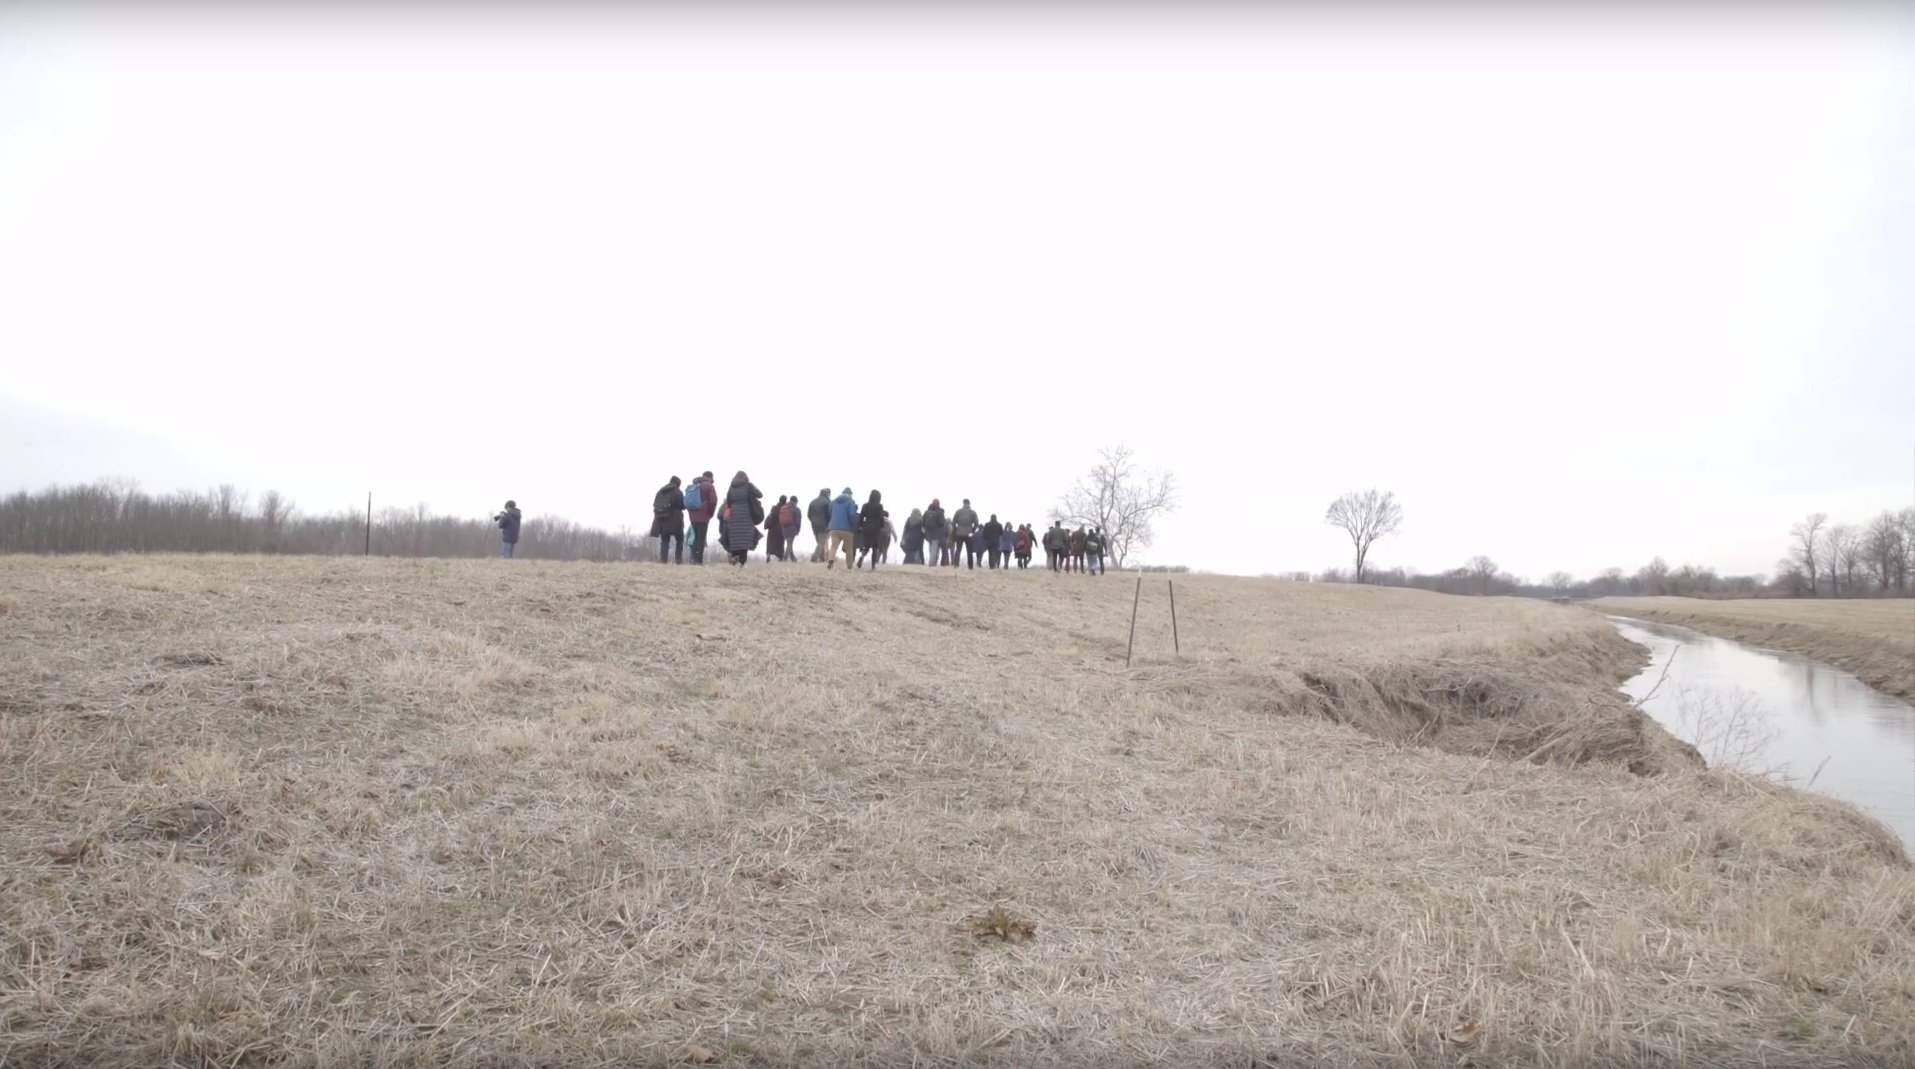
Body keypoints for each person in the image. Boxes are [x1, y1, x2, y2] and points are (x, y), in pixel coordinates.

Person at [723, 471, 763, 566]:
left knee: (736, 538)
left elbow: (728, 502)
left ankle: (734, 557)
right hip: (746, 515)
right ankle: (741, 562)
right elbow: (760, 495)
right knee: (745, 539)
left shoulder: (731, 488)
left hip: (734, 517)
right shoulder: (748, 486)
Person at [685, 472, 719, 564]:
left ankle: (693, 559)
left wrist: (691, 514)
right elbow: (713, 501)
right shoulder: (709, 486)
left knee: (696, 537)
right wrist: (710, 514)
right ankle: (698, 561)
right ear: (710, 477)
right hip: (703, 516)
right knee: (701, 538)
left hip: (693, 517)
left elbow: (687, 501)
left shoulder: (694, 485)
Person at [653, 477, 686, 564]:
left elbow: (655, 504)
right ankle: (678, 560)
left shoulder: (661, 491)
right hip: (676, 519)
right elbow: (683, 505)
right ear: (678, 483)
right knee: (680, 540)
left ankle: (663, 560)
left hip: (662, 519)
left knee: (664, 540)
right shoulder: (678, 492)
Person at [826, 487, 858, 569]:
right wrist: (854, 525)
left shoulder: (833, 502)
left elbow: (830, 512)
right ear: (850, 495)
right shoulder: (851, 502)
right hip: (847, 529)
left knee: (833, 546)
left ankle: (830, 560)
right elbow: (851, 515)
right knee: (849, 548)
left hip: (834, 527)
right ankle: (849, 566)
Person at [858, 491, 889, 569]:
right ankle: (873, 566)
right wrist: (881, 527)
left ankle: (862, 557)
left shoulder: (865, 505)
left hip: (866, 527)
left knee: (867, 546)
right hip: (875, 528)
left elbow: (861, 517)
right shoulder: (879, 506)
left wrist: (861, 526)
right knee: (875, 547)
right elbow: (881, 518)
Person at [807, 488, 833, 562]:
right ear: (827, 494)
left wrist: (813, 521)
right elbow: (830, 514)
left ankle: (822, 558)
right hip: (824, 525)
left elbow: (809, 514)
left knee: (819, 542)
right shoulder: (828, 502)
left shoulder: (813, 502)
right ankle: (814, 557)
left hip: (814, 525)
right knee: (821, 543)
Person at [951, 499, 978, 567]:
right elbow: (976, 523)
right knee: (969, 550)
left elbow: (953, 522)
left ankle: (956, 564)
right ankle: (970, 566)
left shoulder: (958, 511)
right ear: (969, 504)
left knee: (958, 550)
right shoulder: (973, 512)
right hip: (969, 533)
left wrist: (956, 529)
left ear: (963, 504)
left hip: (959, 533)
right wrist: (973, 531)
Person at [922, 499, 948, 566]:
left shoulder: (927, 512)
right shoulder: (940, 512)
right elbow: (941, 522)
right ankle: (935, 563)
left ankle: (932, 563)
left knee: (932, 549)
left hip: (929, 534)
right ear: (939, 504)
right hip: (938, 534)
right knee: (940, 549)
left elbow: (923, 522)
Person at [764, 494, 789, 562]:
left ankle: (769, 555)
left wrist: (767, 525)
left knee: (770, 543)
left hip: (773, 529)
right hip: (781, 529)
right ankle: (780, 557)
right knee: (780, 544)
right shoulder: (786, 509)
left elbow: (771, 517)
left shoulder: (775, 508)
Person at [780, 495, 803, 562]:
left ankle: (793, 558)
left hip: (784, 528)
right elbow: (798, 521)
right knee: (789, 544)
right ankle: (785, 558)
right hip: (792, 528)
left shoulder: (783, 507)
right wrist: (798, 530)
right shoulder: (796, 509)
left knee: (789, 544)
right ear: (796, 501)